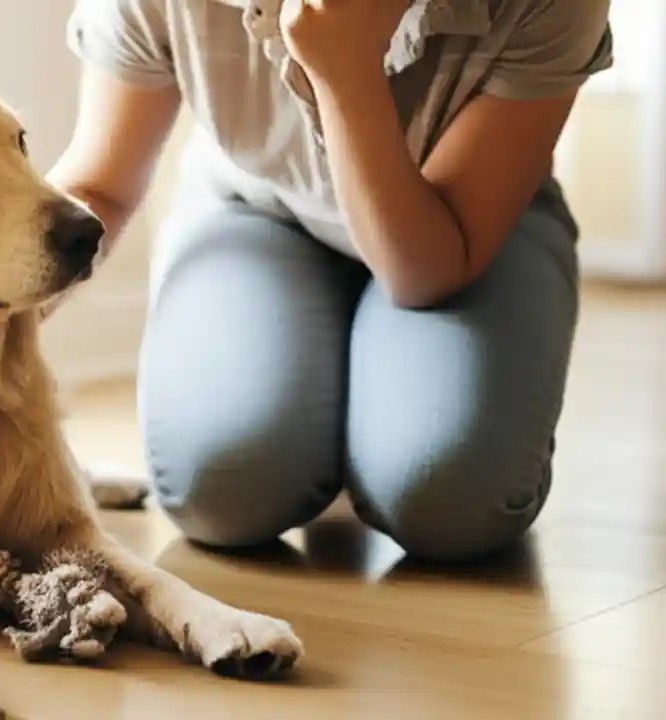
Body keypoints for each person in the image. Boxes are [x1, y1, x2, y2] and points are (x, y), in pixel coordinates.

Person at [44, 0, 614, 562]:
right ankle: (328, 416)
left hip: (459, 228)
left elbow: (423, 274)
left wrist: (345, 72)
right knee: (222, 491)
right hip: (257, 208)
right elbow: (101, 186)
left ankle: (357, 421)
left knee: (449, 501)